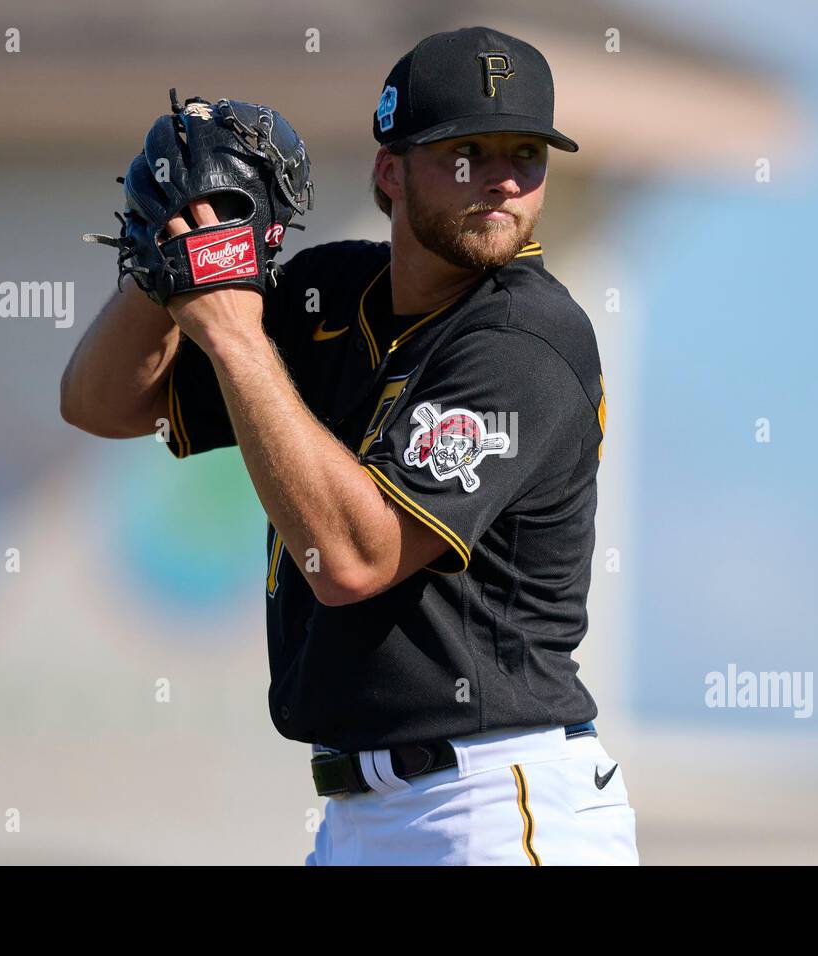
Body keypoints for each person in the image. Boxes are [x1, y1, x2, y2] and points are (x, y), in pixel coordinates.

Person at [60, 25, 638, 866]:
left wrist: (234, 336)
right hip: (360, 820)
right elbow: (101, 405)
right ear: (389, 170)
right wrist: (166, 270)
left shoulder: (526, 339)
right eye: (466, 151)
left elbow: (352, 558)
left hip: (495, 804)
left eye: (527, 153)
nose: (504, 179)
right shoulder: (327, 292)